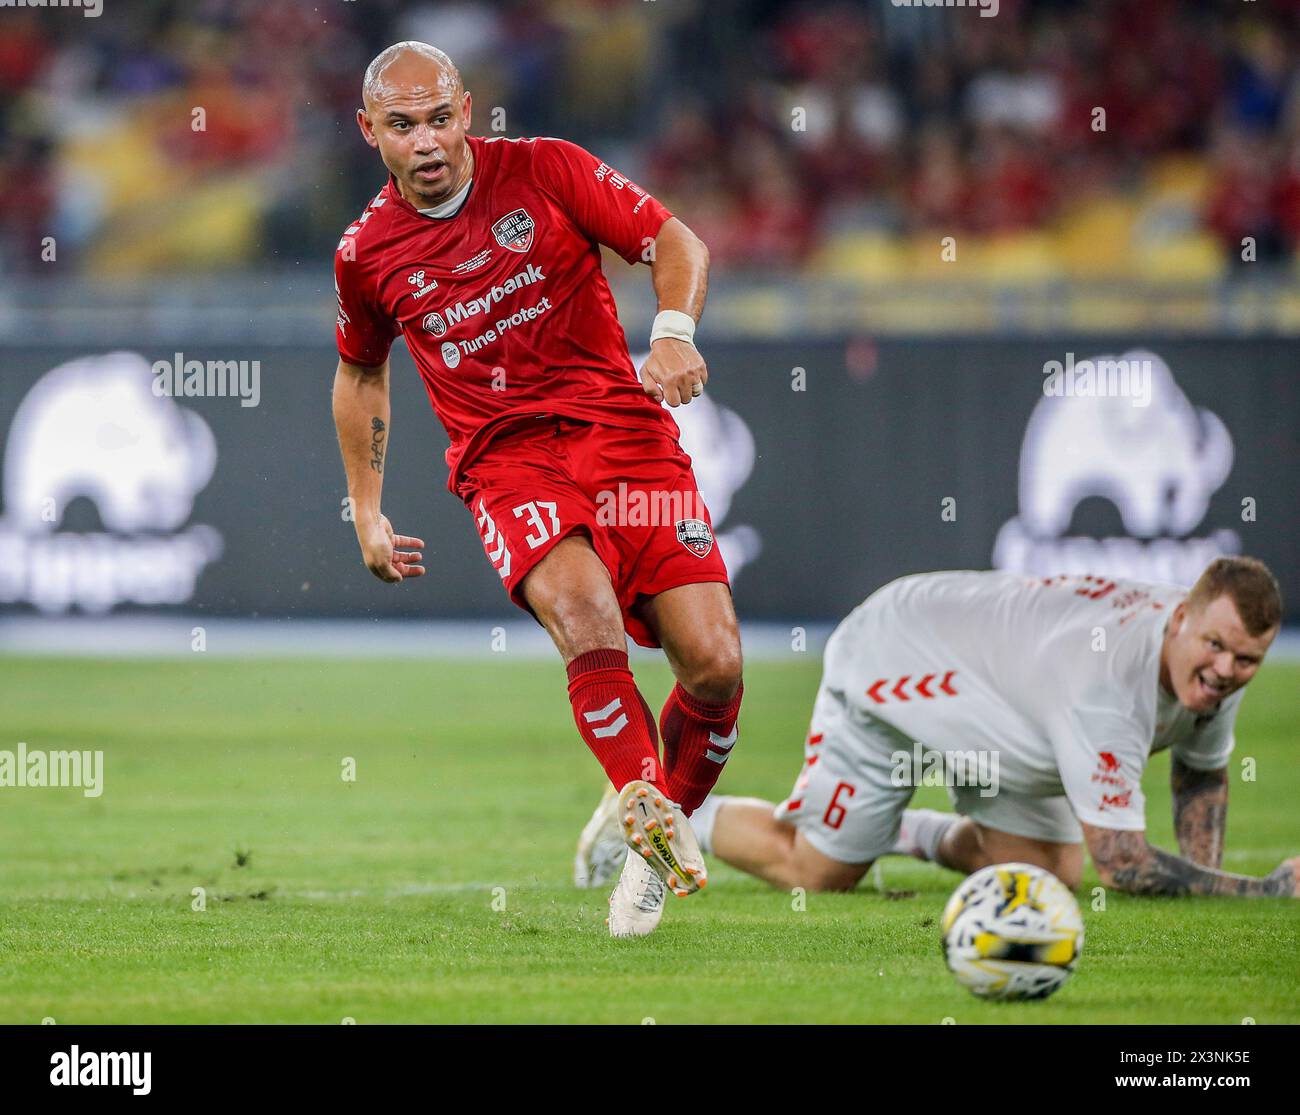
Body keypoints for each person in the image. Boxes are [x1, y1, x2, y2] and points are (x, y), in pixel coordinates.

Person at [331, 43, 743, 938]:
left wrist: (672, 329)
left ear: (468, 112)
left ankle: (641, 828)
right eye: (403, 126)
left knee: (715, 666)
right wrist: (365, 507)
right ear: (370, 132)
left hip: (625, 438)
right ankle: (647, 805)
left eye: (440, 118)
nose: (427, 141)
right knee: (584, 614)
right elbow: (360, 373)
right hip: (506, 460)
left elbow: (674, 239)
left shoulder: (546, 170)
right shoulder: (365, 255)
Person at [579, 558, 1300, 899]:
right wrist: (1257, 892)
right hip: (898, 661)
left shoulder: (1208, 652)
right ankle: (658, 817)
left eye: (1246, 659)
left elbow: (1200, 768)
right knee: (820, 871)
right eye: (1216, 647)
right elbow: (1124, 862)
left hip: (1005, 710)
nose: (1227, 669)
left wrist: (1211, 880)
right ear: (1181, 618)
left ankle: (907, 829)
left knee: (1047, 875)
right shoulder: (1108, 681)